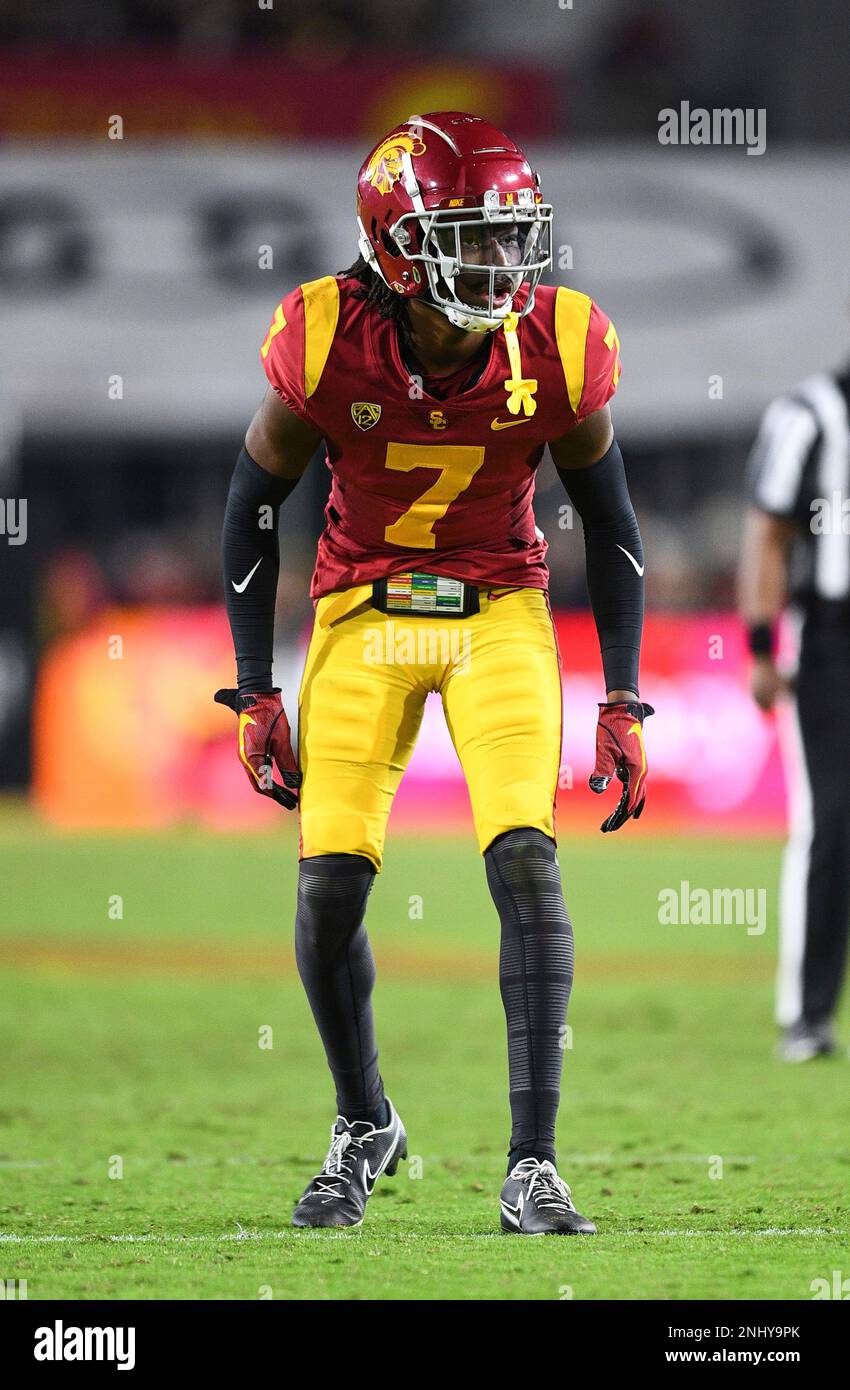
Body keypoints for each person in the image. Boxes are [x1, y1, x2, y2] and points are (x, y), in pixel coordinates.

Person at [215, 112, 652, 1234]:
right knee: (328, 885)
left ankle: (533, 1163)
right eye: (474, 236)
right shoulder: (325, 336)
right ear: (399, 247)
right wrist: (254, 685)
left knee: (525, 865)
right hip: (362, 608)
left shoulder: (555, 343)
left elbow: (608, 523)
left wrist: (620, 693)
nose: (506, 261)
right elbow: (251, 498)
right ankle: (364, 1120)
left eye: (513, 234)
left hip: (499, 607)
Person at [740, 362, 850, 1061]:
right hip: (834, 640)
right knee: (832, 821)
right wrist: (759, 642)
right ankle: (807, 1012)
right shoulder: (812, 413)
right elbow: (767, 529)